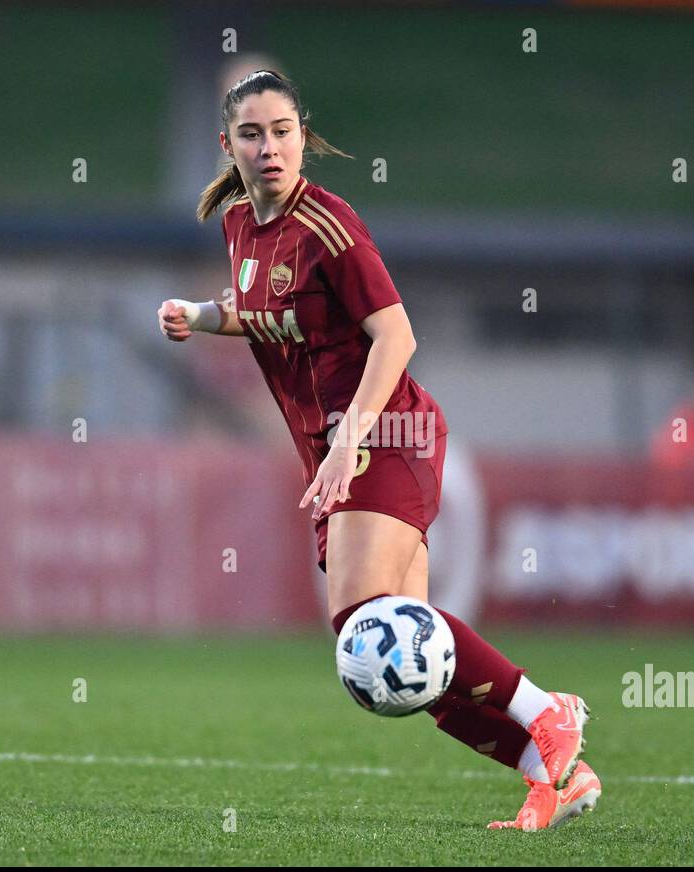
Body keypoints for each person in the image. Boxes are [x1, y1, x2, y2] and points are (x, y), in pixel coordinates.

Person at [156, 69, 598, 829]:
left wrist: (348, 440)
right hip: (338, 449)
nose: (270, 148)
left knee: (371, 625)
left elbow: (397, 334)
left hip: (387, 435)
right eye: (253, 134)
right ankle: (555, 772)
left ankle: (547, 711)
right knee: (408, 665)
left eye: (284, 131)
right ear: (227, 144)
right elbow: (264, 311)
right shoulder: (238, 225)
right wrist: (198, 315)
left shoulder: (328, 223)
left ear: (303, 136)